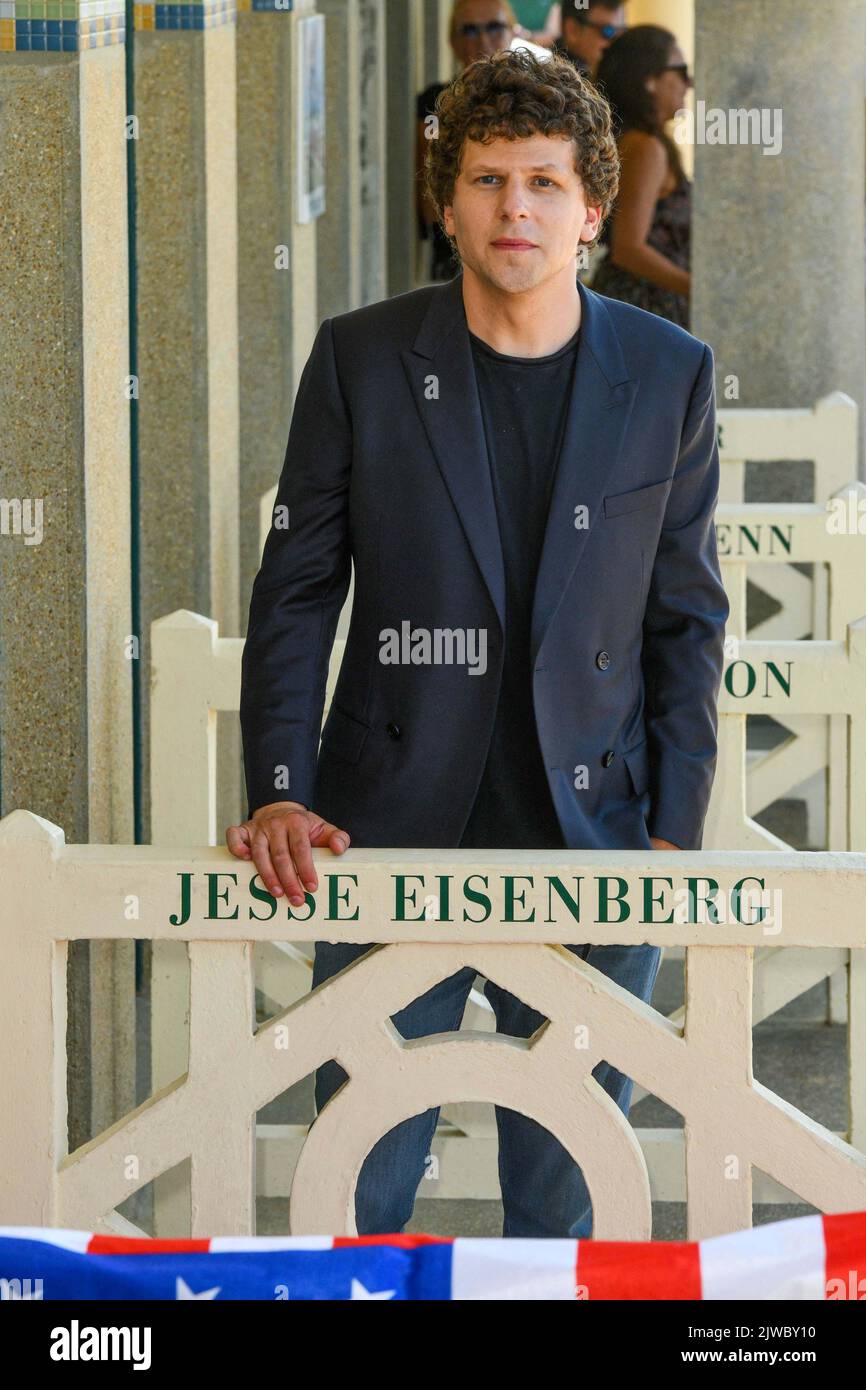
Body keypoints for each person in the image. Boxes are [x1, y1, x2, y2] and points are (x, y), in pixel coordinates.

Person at [230, 47, 728, 1238]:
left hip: (596, 834)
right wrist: (282, 792)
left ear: (592, 211)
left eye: (545, 183)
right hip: (379, 824)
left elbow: (686, 613)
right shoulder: (358, 358)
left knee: (565, 1188)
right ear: (446, 202)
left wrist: (673, 827)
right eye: (490, 180)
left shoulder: (668, 374)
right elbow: (296, 590)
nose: (516, 207)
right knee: (360, 1177)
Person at [591, 25, 692, 326]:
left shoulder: (642, 142)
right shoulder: (645, 149)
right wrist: (694, 287)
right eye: (680, 71)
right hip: (642, 308)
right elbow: (628, 248)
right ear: (650, 80)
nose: (688, 83)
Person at [417, 1, 517, 281]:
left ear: (512, 32)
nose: (484, 40)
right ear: (453, 42)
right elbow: (432, 199)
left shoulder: (537, 104)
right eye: (470, 30)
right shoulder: (435, 105)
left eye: (494, 27)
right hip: (456, 256)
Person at [554, 0, 626, 77]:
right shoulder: (551, 79)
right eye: (608, 31)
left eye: (621, 32)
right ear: (573, 30)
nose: (616, 41)